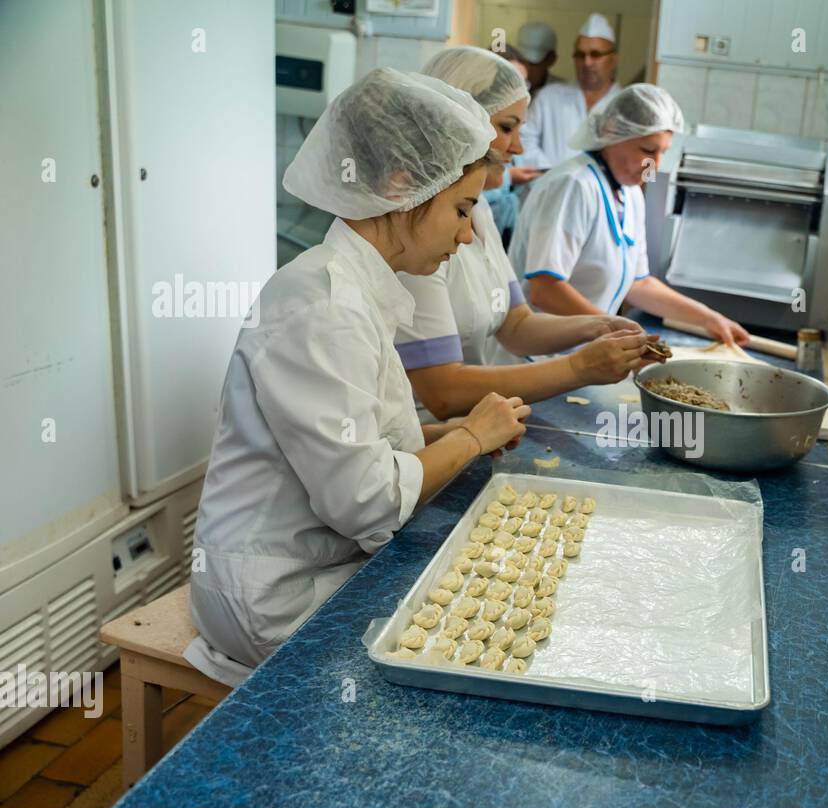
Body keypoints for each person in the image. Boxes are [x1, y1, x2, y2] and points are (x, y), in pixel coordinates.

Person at [184, 69, 530, 686]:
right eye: (461, 208)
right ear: (402, 188)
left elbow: (364, 438)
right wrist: (470, 439)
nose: (469, 232)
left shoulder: (357, 288)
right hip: (275, 595)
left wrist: (444, 431)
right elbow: (366, 500)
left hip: (317, 561)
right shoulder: (323, 306)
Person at [396, 46, 659, 423]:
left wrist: (602, 327)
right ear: (456, 121)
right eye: (507, 128)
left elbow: (515, 324)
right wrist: (580, 368)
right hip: (418, 442)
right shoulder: (415, 228)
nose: (518, 147)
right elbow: (442, 392)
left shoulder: (479, 208)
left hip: (472, 429)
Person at [509, 84, 750, 347]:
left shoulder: (630, 192)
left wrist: (707, 318)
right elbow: (545, 289)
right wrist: (618, 331)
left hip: (577, 356)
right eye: (648, 150)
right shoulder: (573, 185)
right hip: (536, 357)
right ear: (613, 135)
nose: (655, 165)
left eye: (663, 152)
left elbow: (640, 284)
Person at [518, 13, 622, 170]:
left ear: (613, 59)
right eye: (580, 55)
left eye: (595, 54)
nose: (587, 62)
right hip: (548, 188)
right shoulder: (549, 97)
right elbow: (524, 140)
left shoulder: (625, 106)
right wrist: (552, 176)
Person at [479, 45, 542, 243]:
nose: (517, 148)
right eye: (506, 127)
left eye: (524, 84)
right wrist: (508, 177)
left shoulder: (515, 140)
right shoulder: (474, 137)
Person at [516, 21, 559, 93]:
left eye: (533, 64)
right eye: (521, 62)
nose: (526, 70)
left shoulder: (561, 94)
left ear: (551, 59)